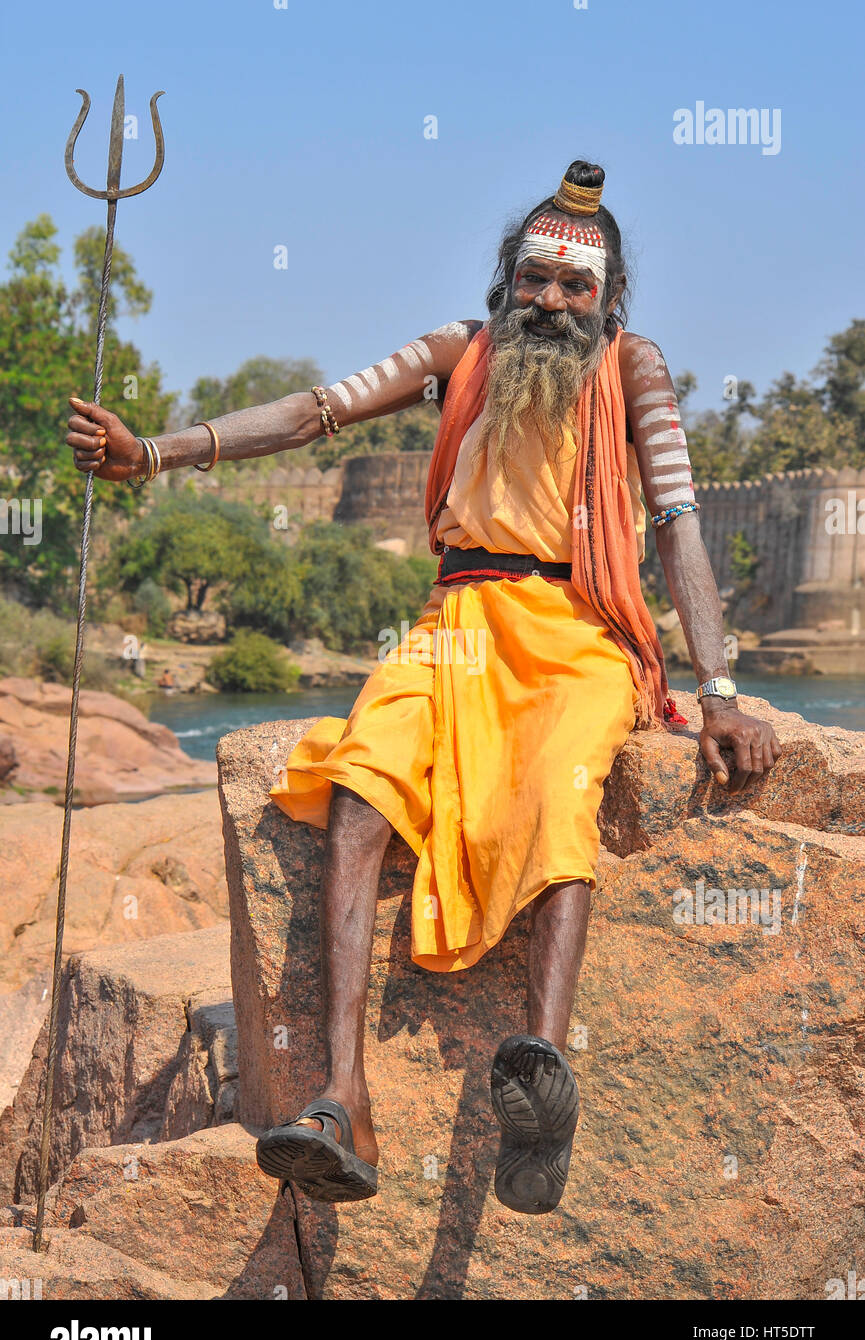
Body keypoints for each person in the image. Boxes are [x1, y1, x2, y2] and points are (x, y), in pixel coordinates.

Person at [66, 159, 781, 1216]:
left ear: (608, 299)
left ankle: (540, 1067)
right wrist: (159, 452)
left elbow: (676, 522)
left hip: (578, 634)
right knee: (360, 788)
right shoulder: (461, 353)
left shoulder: (636, 372)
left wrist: (718, 688)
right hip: (456, 621)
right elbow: (319, 411)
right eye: (534, 278)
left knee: (559, 789)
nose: (550, 299)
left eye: (573, 285)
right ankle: (340, 1098)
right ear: (506, 280)